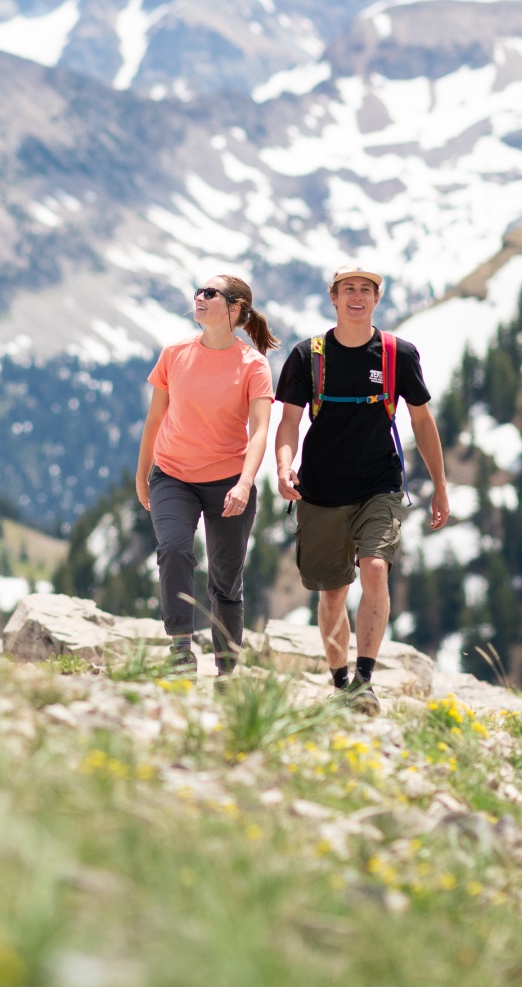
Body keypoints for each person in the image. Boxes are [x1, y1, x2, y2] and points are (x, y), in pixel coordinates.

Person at [273, 267, 449, 715]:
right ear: (333, 297)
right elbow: (289, 421)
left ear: (377, 298)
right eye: (348, 289)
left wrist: (441, 488)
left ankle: (365, 680)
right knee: (332, 593)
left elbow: (423, 422)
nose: (357, 296)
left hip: (380, 485)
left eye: (365, 290)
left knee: (374, 568)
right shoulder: (306, 356)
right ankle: (340, 683)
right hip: (321, 489)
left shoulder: (397, 355)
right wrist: (283, 466)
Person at [135, 274, 277, 677]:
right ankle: (181, 649)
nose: (199, 297)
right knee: (175, 549)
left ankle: (227, 671)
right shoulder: (174, 354)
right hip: (173, 475)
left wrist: (245, 483)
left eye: (210, 293)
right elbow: (155, 417)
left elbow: (260, 430)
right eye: (198, 290)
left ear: (234, 309)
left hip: (229, 481)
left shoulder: (253, 364)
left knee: (225, 583)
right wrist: (142, 473)